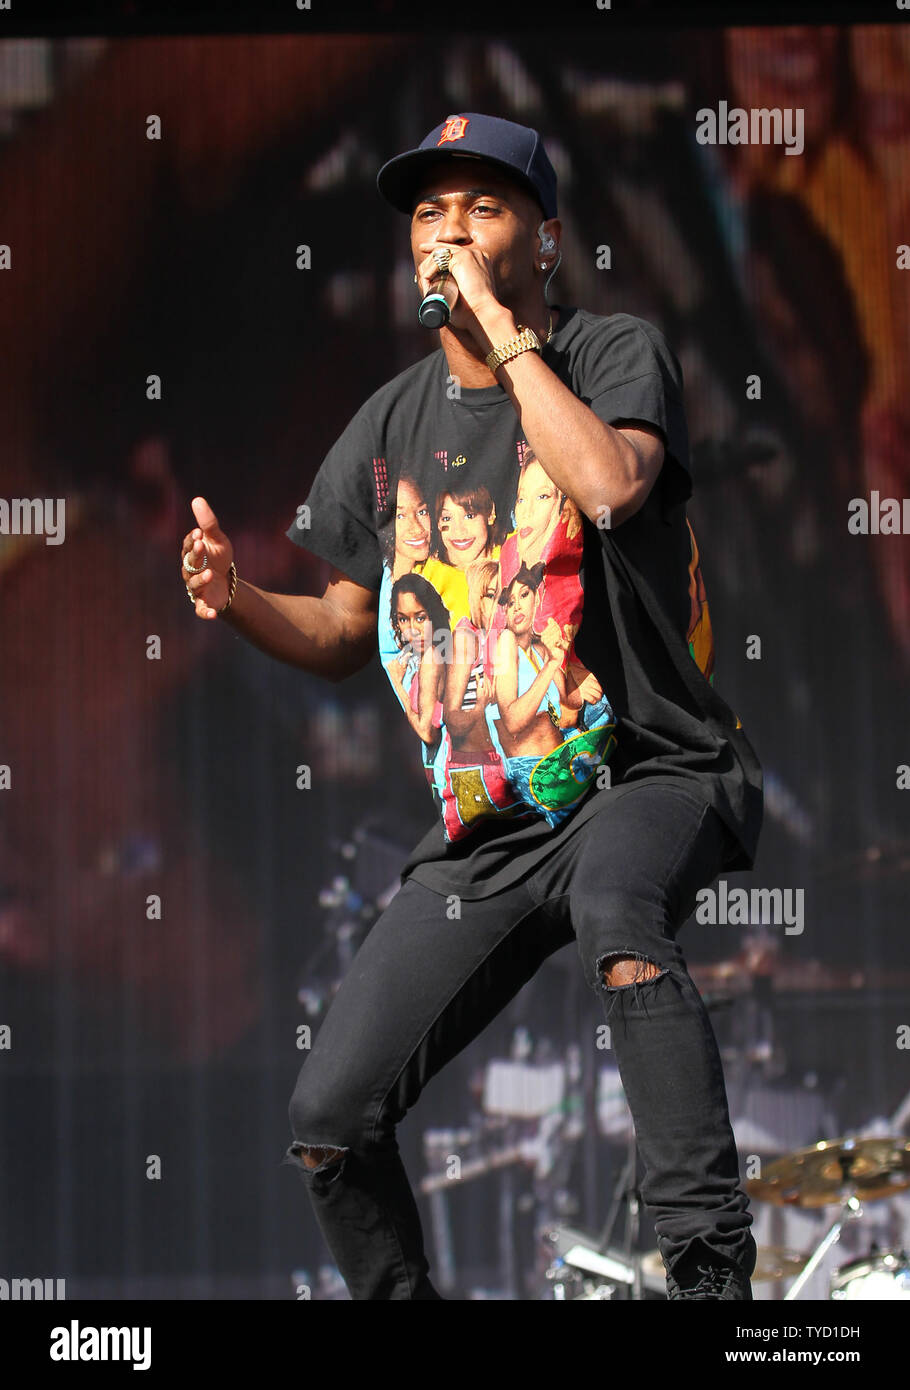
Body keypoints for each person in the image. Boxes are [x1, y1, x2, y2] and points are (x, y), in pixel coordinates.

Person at [179, 112, 763, 1300]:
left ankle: (709, 1280)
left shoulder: (611, 351)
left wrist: (500, 331)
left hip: (644, 771)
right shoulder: (387, 428)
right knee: (328, 1116)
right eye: (428, 213)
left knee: (618, 913)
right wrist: (239, 597)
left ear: (543, 239)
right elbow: (347, 629)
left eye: (482, 209)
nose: (446, 232)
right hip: (490, 833)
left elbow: (603, 485)